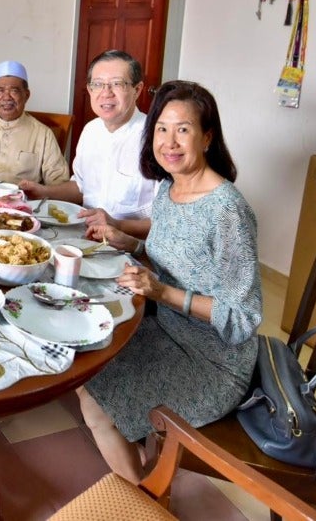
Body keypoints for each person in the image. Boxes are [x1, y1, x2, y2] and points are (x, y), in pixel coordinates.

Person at [77, 80, 262, 483]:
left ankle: (143, 499)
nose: (169, 142)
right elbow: (176, 257)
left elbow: (243, 317)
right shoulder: (169, 187)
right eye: (162, 128)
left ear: (207, 137)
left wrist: (162, 292)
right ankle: (139, 466)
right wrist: (129, 242)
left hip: (212, 360)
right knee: (87, 358)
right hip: (166, 329)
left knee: (93, 399)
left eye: (183, 129)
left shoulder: (227, 210)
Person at [19, 50, 157, 237]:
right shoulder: (91, 130)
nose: (106, 93)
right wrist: (44, 191)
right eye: (98, 84)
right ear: (90, 90)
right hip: (84, 235)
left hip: (132, 244)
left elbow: (168, 222)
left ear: (137, 90)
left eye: (117, 84)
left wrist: (118, 225)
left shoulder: (156, 138)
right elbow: (80, 188)